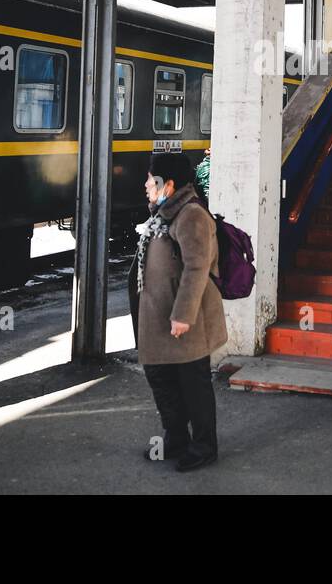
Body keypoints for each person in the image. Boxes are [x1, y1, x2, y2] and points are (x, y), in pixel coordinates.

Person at [136, 152, 226, 472]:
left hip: (187, 322)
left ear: (168, 184)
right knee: (162, 379)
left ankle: (204, 447)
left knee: (193, 385)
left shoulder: (191, 216)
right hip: (159, 319)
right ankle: (175, 438)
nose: (147, 183)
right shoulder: (162, 213)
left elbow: (197, 267)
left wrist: (183, 315)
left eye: (152, 178)